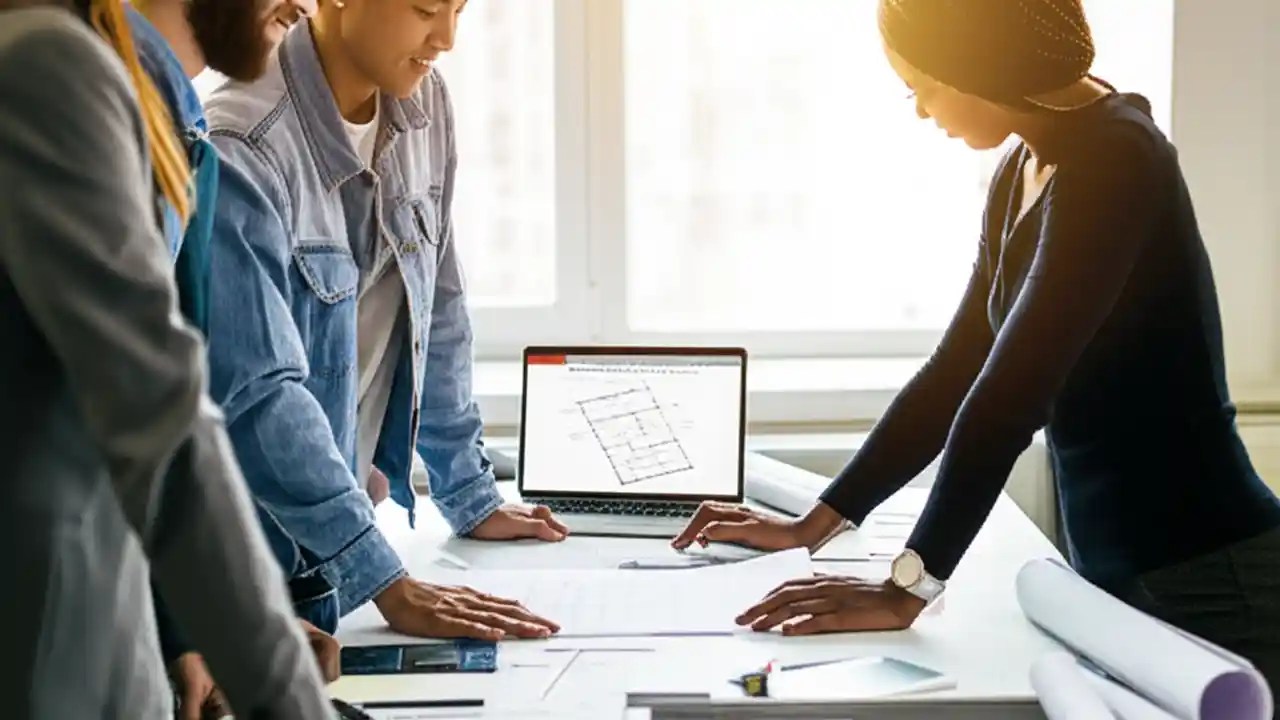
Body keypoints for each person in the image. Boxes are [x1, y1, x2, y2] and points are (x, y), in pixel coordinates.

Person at [673, 0, 1280, 692]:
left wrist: (910, 585)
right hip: (1122, 572)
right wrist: (814, 524)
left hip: (1207, 575)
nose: (922, 111)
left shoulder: (1117, 159)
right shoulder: (1026, 165)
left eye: (922, 87)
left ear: (977, 65)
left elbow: (1010, 397)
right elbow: (957, 371)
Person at [0, 2, 332, 717]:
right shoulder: (49, 67)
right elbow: (164, 424)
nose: (305, 6)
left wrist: (190, 629)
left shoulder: (170, 125)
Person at [202, 0, 568, 641]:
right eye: (427, 8)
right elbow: (257, 395)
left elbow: (441, 306)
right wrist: (386, 580)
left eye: (460, 8)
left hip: (344, 557)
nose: (448, 37)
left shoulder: (424, 105)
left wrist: (469, 495)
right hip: (253, 577)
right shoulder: (239, 145)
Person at [121, 0, 337, 715]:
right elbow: (147, 413)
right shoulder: (72, 90)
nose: (303, 6)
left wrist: (196, 626)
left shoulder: (186, 140)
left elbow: (186, 410)